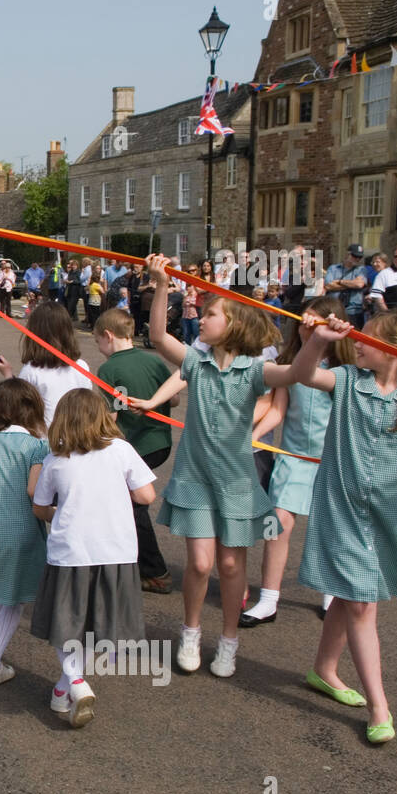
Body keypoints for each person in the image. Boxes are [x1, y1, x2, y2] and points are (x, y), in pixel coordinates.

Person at [266, 310, 397, 743]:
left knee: (349, 594)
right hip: (341, 508)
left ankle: (323, 669)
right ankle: (380, 706)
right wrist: (318, 340)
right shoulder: (347, 381)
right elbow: (302, 375)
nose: (356, 342)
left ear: (394, 348)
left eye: (366, 338)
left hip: (387, 516)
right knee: (362, 604)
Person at [138, 254, 281, 678]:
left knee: (232, 566)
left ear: (233, 325)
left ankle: (230, 640)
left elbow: (300, 374)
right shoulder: (196, 364)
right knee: (200, 564)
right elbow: (159, 336)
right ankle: (191, 631)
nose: (201, 317)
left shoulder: (256, 370)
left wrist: (320, 342)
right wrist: (162, 284)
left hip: (236, 481)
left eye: (211, 313)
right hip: (196, 477)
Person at [31, 388, 157, 727]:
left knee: (65, 622)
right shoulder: (121, 450)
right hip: (116, 550)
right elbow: (146, 494)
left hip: (71, 551)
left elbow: (40, 507)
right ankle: (66, 689)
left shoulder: (57, 459)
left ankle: (72, 682)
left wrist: (58, 509)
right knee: (93, 624)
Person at [240, 296, 355, 628]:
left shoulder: (346, 370)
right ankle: (268, 600)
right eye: (304, 321)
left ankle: (330, 592)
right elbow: (277, 410)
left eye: (315, 322)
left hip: (332, 460)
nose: (307, 326)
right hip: (291, 456)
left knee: (331, 528)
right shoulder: (289, 361)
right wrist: (255, 437)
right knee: (278, 524)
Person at [0, 379, 49, 685]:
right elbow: (36, 493)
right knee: (14, 598)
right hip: (20, 532)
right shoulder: (37, 447)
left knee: (2, 584)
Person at [93, 308, 175, 594]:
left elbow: (110, 418)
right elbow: (174, 399)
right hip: (161, 441)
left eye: (98, 343)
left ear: (107, 336)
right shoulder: (152, 361)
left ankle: (153, 570)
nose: (100, 350)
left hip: (135, 445)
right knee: (129, 502)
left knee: (131, 504)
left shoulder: (108, 370)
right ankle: (135, 563)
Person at [0, 303, 92, 428]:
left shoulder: (30, 371)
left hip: (44, 441)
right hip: (75, 438)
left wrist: (8, 376)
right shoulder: (82, 366)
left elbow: (17, 407)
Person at [324, 244, 370, 329]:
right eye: (354, 256)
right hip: (334, 309)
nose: (357, 259)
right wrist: (352, 284)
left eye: (359, 257)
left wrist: (339, 281)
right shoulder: (333, 268)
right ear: (347, 254)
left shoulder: (361, 270)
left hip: (353, 310)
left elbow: (359, 284)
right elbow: (328, 286)